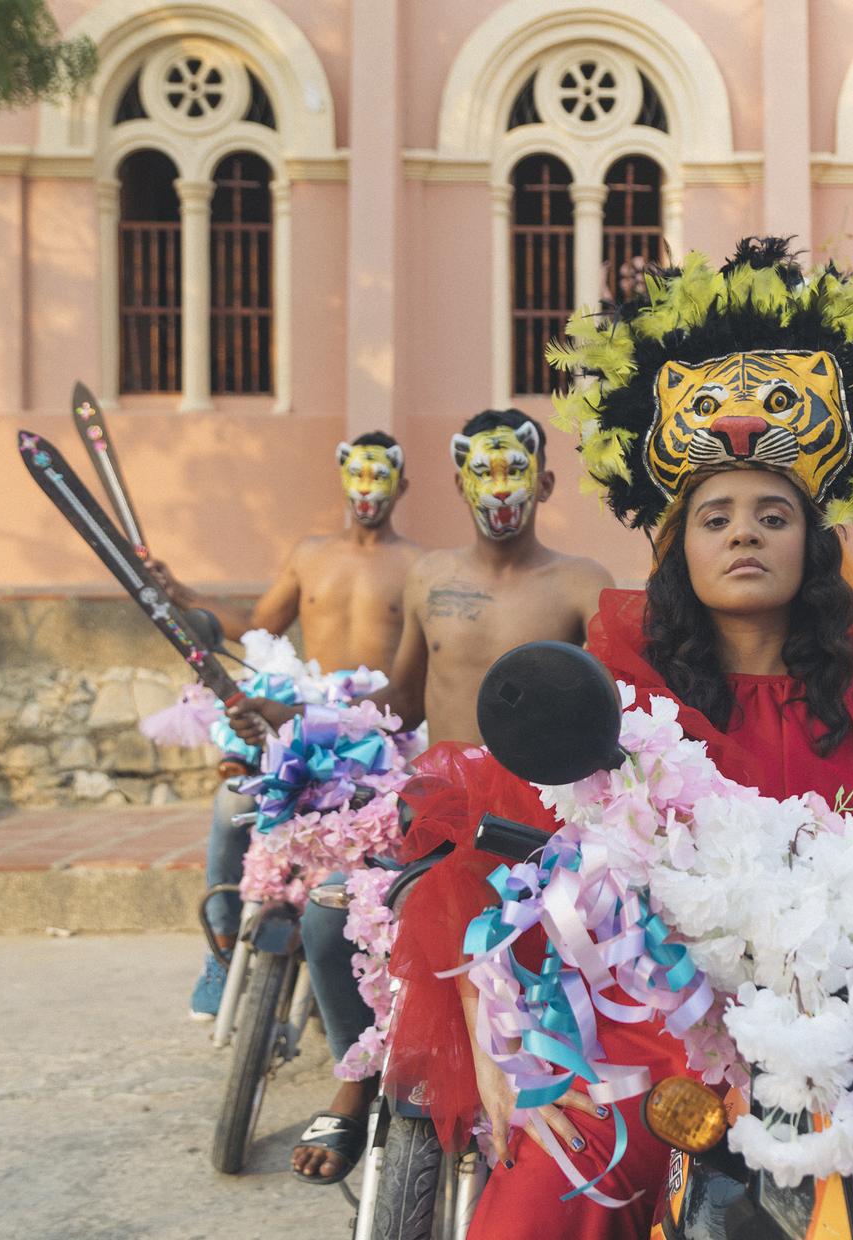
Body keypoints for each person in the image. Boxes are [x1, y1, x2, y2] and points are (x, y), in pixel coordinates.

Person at [382, 239, 853, 1239]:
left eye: (772, 515)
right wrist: (503, 1045)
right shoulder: (619, 696)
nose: (745, 532)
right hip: (654, 1038)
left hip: (846, 1034)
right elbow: (485, 874)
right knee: (555, 1188)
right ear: (681, 546)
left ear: (813, 544)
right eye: (715, 517)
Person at [229, 408, 613, 1184]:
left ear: (544, 483)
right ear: (458, 481)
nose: (498, 489)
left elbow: (611, 712)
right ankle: (359, 1075)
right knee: (328, 926)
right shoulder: (431, 578)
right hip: (432, 810)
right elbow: (401, 702)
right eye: (483, 472)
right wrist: (290, 716)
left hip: (533, 826)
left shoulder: (583, 584)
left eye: (514, 471)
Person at [147, 432, 424, 1019]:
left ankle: (373, 984)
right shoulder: (310, 555)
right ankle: (222, 949)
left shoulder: (420, 567)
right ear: (342, 478)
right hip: (302, 727)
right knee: (232, 802)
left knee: (380, 845)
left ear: (402, 485)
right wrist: (178, 592)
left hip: (376, 741)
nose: (368, 487)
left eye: (380, 475)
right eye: (358, 474)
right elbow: (257, 626)